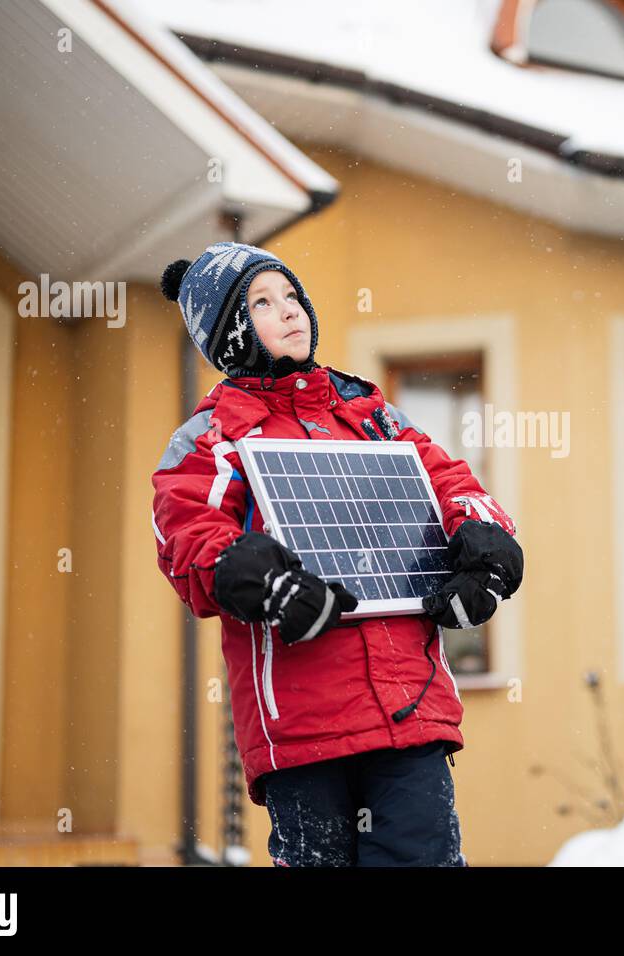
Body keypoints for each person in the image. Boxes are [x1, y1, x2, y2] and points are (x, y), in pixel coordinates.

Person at [151, 241, 523, 866]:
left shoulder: (371, 415)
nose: (290, 311)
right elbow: (185, 529)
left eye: (292, 296)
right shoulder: (216, 433)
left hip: (410, 706)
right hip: (302, 726)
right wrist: (256, 575)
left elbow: (456, 484)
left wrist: (485, 550)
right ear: (230, 332)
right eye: (262, 303)